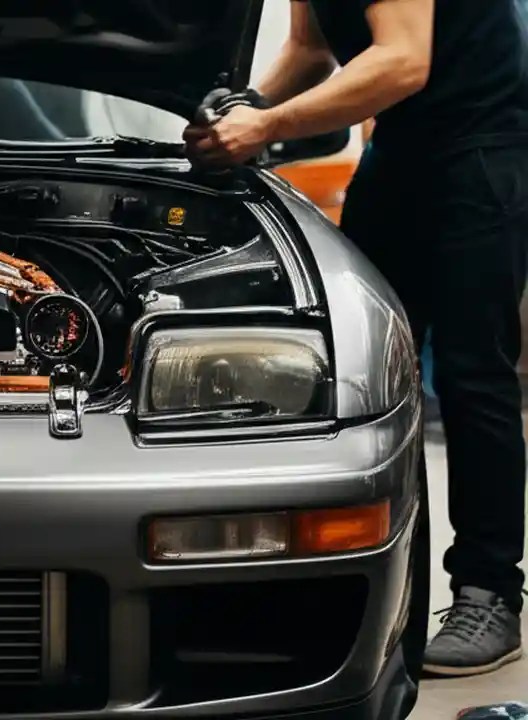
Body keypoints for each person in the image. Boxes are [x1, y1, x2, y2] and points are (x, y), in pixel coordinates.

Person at [185, 0, 528, 677]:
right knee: (357, 366)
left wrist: (268, 126)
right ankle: (357, 578)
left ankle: (489, 593)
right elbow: (310, 49)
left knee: (472, 374)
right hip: (401, 145)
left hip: (482, 146)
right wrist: (244, 107)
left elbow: (402, 60)